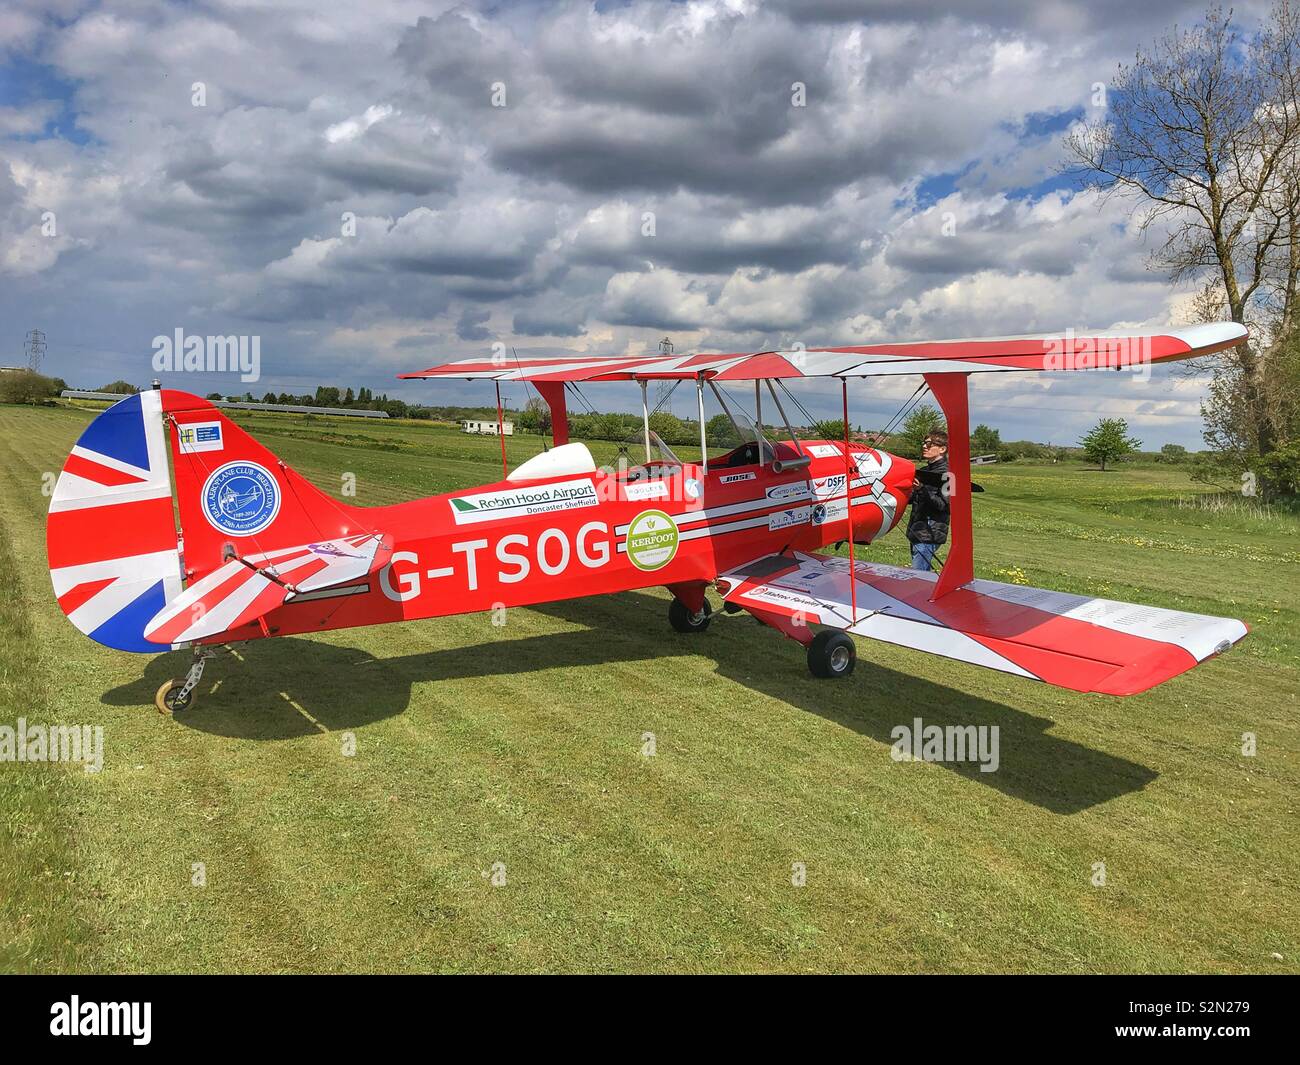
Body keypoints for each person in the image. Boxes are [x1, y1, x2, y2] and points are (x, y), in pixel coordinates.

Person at [907, 431, 950, 572]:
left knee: (919, 576)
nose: (924, 446)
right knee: (922, 576)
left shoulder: (950, 475)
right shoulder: (924, 471)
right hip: (917, 530)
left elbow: (943, 505)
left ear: (942, 449)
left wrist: (921, 489)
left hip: (929, 532)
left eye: (929, 444)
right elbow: (913, 498)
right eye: (924, 443)